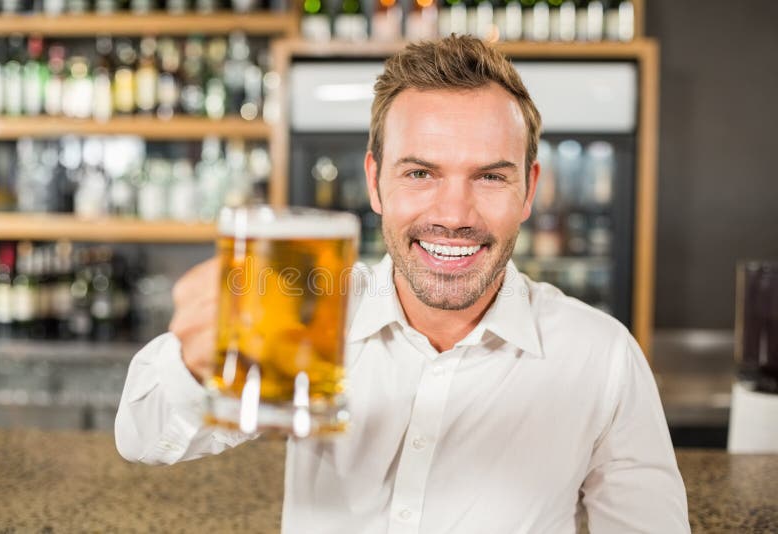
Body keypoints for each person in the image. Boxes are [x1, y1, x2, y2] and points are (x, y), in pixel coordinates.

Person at [115, 36, 690, 533]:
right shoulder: (310, 313)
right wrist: (200, 361)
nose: (455, 212)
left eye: (490, 176)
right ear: (375, 182)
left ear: (529, 190)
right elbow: (142, 436)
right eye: (420, 173)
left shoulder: (600, 356)